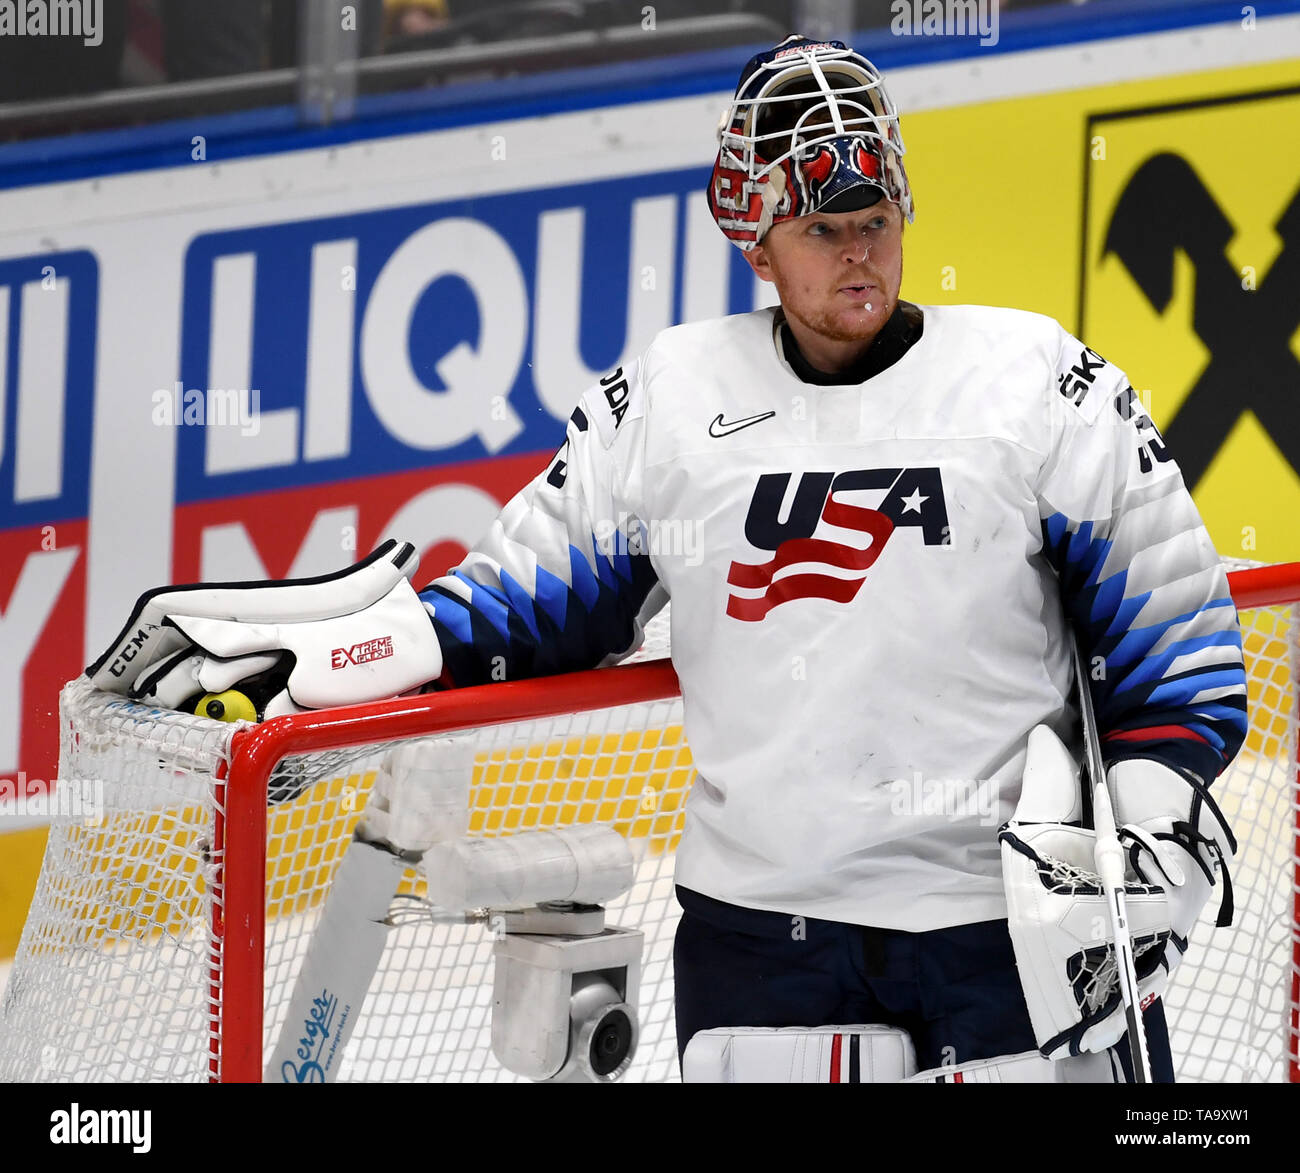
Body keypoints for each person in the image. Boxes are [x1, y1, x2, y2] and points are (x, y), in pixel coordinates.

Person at [88, 35, 1247, 1083]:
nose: (860, 254)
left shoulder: (1036, 381)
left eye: (876, 218)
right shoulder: (673, 399)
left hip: (1002, 937)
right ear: (753, 237)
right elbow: (526, 600)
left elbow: (1178, 631)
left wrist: (1140, 833)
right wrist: (343, 654)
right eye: (821, 228)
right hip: (762, 946)